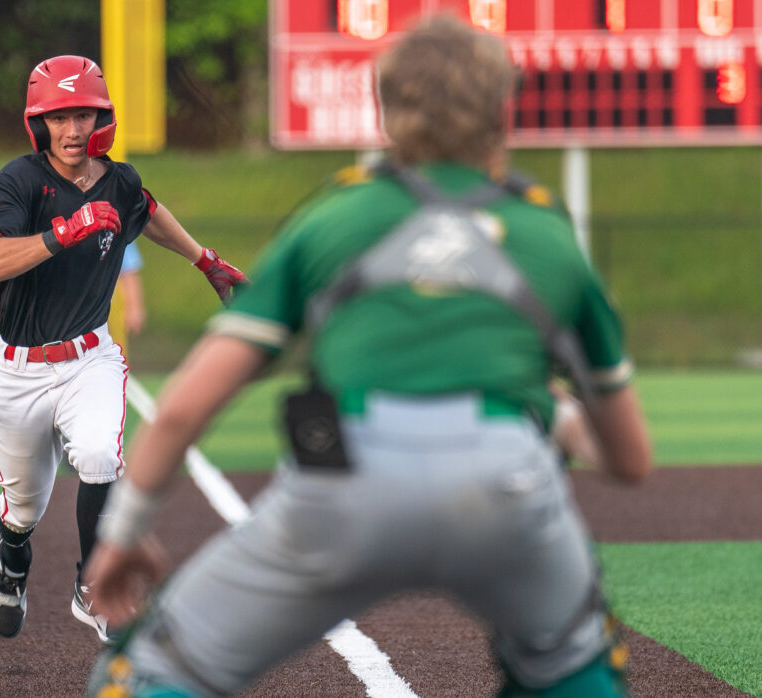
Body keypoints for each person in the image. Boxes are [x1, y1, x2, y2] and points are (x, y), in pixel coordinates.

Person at [83, 17, 652, 698]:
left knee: (151, 673)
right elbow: (628, 461)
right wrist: (557, 421)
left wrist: (123, 533)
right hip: (507, 493)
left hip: (344, 490)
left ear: (385, 110)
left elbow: (182, 410)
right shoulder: (549, 232)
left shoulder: (334, 216)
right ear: (505, 112)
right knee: (577, 667)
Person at [0, 55, 246, 643]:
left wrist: (206, 262)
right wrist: (60, 233)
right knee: (23, 507)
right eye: (59, 117)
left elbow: (147, 210)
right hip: (20, 370)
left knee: (99, 456)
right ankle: (11, 556)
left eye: (83, 115)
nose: (72, 130)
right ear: (38, 123)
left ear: (103, 117)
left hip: (90, 357)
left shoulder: (118, 180)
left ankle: (93, 587)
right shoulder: (18, 181)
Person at [107, 243, 146, 350]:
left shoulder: (119, 229)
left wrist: (135, 307)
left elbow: (129, 269)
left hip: (112, 296)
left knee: (116, 345)